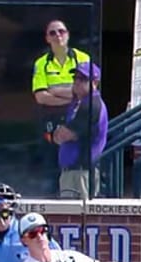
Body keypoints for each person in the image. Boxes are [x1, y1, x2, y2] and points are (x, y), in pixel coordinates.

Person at [31, 20, 92, 161]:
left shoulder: (83, 59)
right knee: (51, 165)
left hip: (77, 118)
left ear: (68, 35)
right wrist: (74, 96)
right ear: (47, 38)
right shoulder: (41, 63)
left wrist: (53, 90)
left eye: (61, 31)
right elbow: (41, 97)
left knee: (77, 162)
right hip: (51, 120)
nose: (58, 35)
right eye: (52, 33)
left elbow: (89, 91)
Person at [53, 62, 108, 199]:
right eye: (75, 78)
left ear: (95, 82)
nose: (77, 82)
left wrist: (62, 133)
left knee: (79, 217)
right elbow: (59, 136)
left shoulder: (92, 104)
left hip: (81, 172)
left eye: (83, 79)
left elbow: (64, 135)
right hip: (72, 171)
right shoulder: (78, 102)